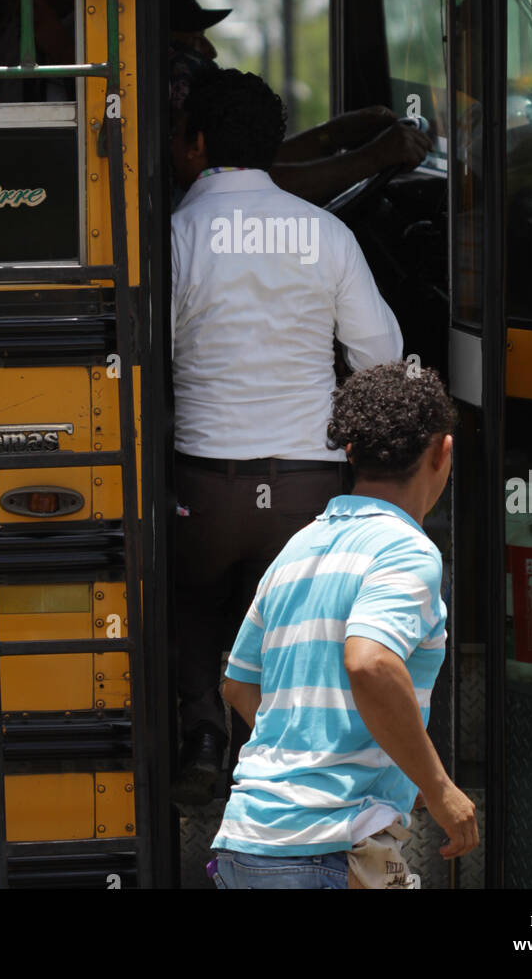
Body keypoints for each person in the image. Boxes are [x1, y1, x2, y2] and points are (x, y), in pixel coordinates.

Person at [170, 68, 404, 805]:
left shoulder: (174, 234)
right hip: (305, 491)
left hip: (202, 489)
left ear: (195, 143)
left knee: (188, 598)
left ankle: (201, 725)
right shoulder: (324, 233)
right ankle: (279, 767)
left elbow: (149, 355)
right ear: (273, 147)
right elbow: (381, 357)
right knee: (286, 626)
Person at [210, 361, 479, 889]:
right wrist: (440, 787)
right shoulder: (407, 552)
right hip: (326, 852)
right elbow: (371, 662)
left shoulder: (299, 546)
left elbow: (239, 684)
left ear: (351, 453)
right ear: (442, 451)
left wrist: (396, 760)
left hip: (246, 845)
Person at [168, 0, 430, 206]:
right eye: (194, 40)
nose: (209, 52)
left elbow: (250, 163)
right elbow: (258, 186)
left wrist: (333, 134)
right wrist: (374, 157)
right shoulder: (174, 114)